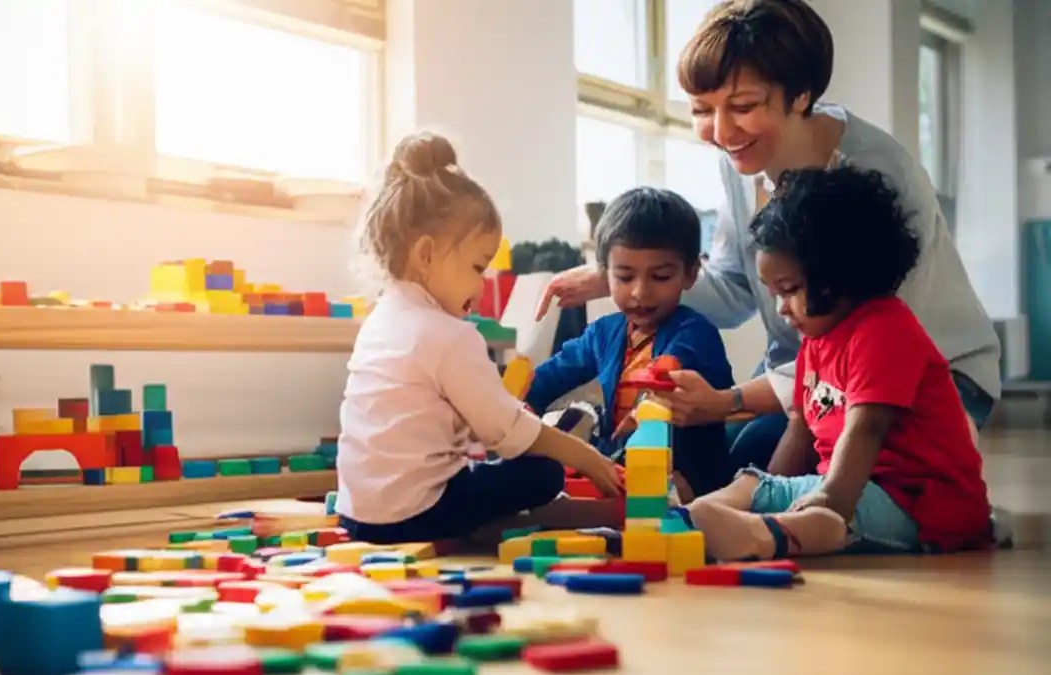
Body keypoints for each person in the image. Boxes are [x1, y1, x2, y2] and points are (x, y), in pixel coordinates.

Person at [536, 0, 1000, 477]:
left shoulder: (874, 178)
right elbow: (736, 288)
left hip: (923, 375)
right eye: (701, 110)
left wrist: (731, 400)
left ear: (800, 95)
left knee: (765, 467)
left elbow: (880, 341)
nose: (719, 132)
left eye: (742, 107)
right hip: (803, 372)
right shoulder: (742, 162)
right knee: (720, 462)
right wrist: (625, 280)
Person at [684, 166, 992, 559]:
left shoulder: (884, 330)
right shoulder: (817, 335)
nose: (781, 309)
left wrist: (830, 500)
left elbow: (867, 427)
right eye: (774, 292)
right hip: (852, 489)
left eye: (790, 290)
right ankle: (691, 518)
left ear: (839, 276)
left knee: (809, 513)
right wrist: (770, 489)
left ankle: (764, 536)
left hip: (920, 505)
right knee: (752, 482)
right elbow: (801, 426)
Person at [335, 131, 624, 545]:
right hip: (412, 517)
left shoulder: (382, 319)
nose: (484, 284)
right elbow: (509, 434)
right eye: (476, 267)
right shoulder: (448, 335)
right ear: (426, 255)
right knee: (543, 472)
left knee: (481, 470)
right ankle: (481, 531)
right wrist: (587, 458)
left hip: (357, 515)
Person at [524, 187, 734, 501]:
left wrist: (645, 407)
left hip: (686, 473)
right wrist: (513, 405)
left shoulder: (694, 331)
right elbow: (550, 376)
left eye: (660, 277)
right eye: (624, 277)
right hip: (621, 463)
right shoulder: (604, 333)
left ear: (690, 274)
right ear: (604, 275)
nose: (640, 292)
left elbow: (670, 369)